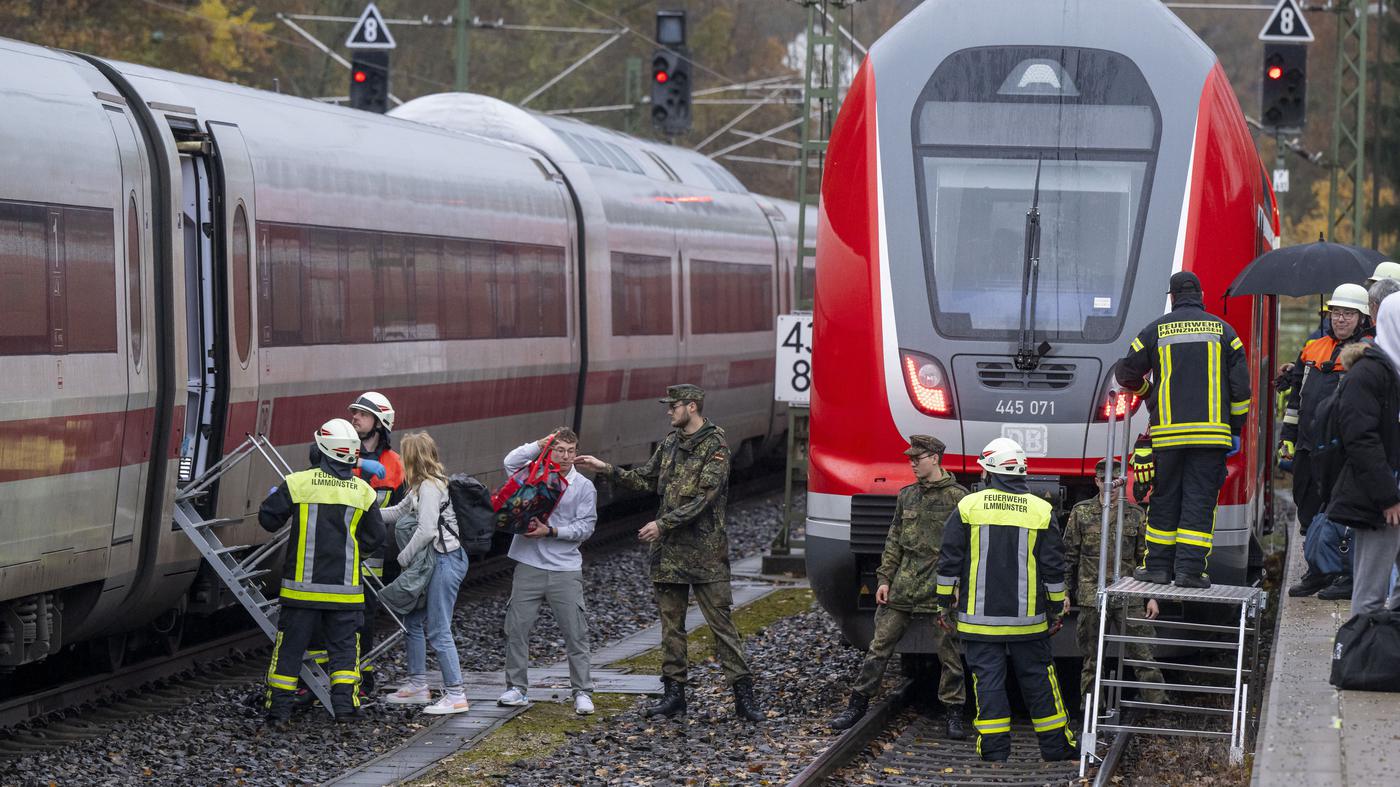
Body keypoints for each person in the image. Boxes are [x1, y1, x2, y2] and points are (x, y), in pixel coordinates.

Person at [575, 384, 764, 722]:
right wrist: (606, 469)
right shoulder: (670, 443)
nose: (668, 411)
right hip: (669, 554)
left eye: (673, 406)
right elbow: (646, 479)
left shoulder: (715, 445)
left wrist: (662, 525)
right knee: (671, 627)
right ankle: (674, 695)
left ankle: (744, 697)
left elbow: (704, 499)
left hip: (705, 553)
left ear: (691, 407)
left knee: (721, 625)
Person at [933, 437, 1075, 763]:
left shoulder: (968, 506)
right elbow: (1054, 569)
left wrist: (942, 604)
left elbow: (949, 561)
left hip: (979, 622)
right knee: (1040, 681)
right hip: (1028, 623)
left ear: (990, 472)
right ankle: (1056, 747)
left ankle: (994, 751)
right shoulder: (1041, 510)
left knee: (988, 685)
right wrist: (1056, 609)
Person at [1116, 271, 1251, 589]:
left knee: (1164, 499)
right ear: (1201, 296)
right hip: (1212, 438)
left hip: (1169, 437)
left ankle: (1158, 568)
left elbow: (1125, 373)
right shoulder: (1225, 332)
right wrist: (1235, 428)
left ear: (1173, 297)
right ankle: (1190, 571)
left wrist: (1148, 392)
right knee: (1199, 501)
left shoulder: (1155, 330)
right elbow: (1241, 388)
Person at [829, 435, 968, 737]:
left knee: (949, 654)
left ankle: (954, 713)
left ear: (934, 458)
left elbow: (966, 549)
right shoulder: (907, 495)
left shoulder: (959, 498)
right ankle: (857, 704)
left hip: (940, 587)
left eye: (917, 459)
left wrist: (959, 585)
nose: (912, 464)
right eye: (910, 459)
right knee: (879, 646)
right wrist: (884, 579)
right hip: (904, 585)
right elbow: (894, 542)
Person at [258, 418, 384, 727]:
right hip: (345, 594)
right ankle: (345, 711)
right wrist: (353, 556)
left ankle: (279, 713)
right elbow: (375, 538)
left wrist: (277, 495)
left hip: (301, 593)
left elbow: (268, 520)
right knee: (344, 654)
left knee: (289, 652)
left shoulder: (298, 483)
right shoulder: (364, 492)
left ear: (320, 451)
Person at [1279, 284, 1373, 599]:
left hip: (1342, 451)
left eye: (1348, 314)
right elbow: (1296, 399)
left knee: (1342, 512)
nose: (1340, 319)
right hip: (1308, 447)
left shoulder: (1366, 352)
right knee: (1307, 508)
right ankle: (1318, 571)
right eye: (1336, 313)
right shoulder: (1311, 348)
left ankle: (1344, 574)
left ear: (1362, 318)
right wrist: (1287, 438)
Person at [496, 428, 599, 716]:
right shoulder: (534, 474)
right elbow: (510, 461)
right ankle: (516, 688)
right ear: (550, 451)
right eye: (559, 450)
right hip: (528, 564)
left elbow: (585, 527)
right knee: (516, 629)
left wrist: (550, 531)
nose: (565, 456)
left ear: (576, 452)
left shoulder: (584, 487)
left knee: (575, 633)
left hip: (565, 568)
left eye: (570, 451)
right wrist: (537, 444)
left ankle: (582, 691)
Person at [379, 432, 470, 715]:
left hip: (445, 560)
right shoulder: (419, 486)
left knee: (439, 629)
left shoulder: (430, 487)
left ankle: (456, 695)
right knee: (412, 621)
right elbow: (396, 512)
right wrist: (363, 507)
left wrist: (404, 556)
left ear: (412, 457)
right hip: (436, 561)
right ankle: (418, 685)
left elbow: (428, 530)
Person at [1064, 459, 1166, 707]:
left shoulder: (1136, 515)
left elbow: (1146, 559)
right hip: (1092, 596)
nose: (1110, 486)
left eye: (1116, 482)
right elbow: (1068, 556)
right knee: (1092, 659)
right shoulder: (1081, 513)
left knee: (1143, 655)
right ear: (1097, 482)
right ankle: (1092, 710)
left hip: (1129, 595)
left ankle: (1157, 708)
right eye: (1104, 481)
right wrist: (1064, 593)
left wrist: (1152, 596)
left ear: (1123, 483)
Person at [1326, 295, 1400, 618]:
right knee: (1371, 594)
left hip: (1391, 494)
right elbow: (1361, 441)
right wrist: (1388, 498)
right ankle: (1359, 648)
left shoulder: (1393, 369)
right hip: (1381, 502)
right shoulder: (1369, 374)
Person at [347, 391, 407, 696]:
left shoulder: (395, 465)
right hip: (341, 548)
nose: (355, 418)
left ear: (379, 423)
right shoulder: (343, 453)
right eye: (354, 413)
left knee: (365, 615)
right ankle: (337, 673)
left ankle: (364, 672)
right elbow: (316, 457)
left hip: (372, 553)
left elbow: (403, 510)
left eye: (362, 414)